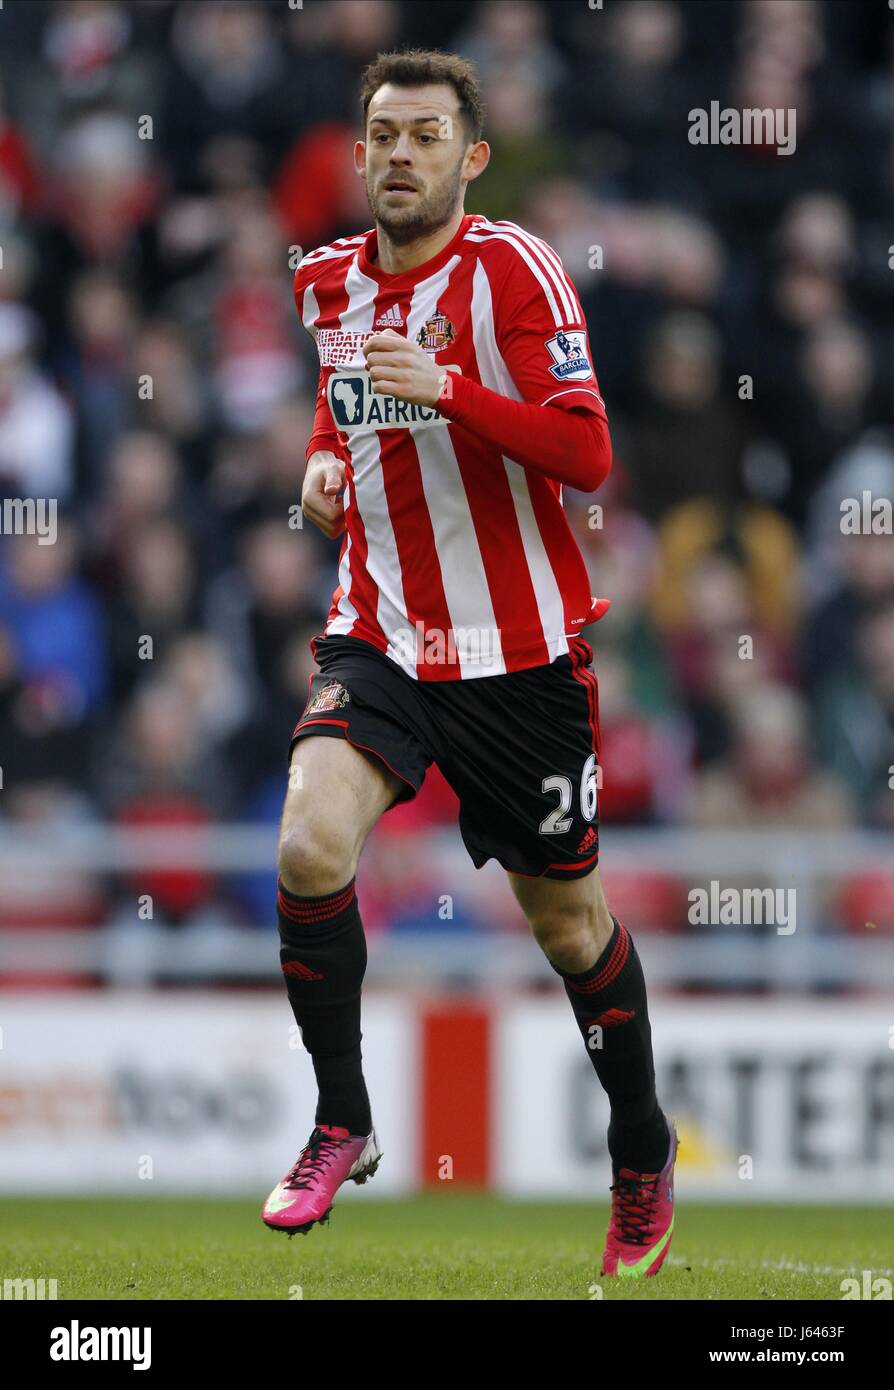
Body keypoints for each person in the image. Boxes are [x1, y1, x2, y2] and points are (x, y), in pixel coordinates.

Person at [261, 48, 677, 1279]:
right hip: (382, 632)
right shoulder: (325, 281)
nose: (401, 155)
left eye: (427, 136)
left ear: (471, 157)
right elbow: (342, 398)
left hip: (520, 657)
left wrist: (445, 387)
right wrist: (322, 459)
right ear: (359, 153)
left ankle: (642, 1147)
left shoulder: (516, 271)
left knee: (570, 925)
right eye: (384, 135)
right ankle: (342, 1116)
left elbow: (587, 454)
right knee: (308, 844)